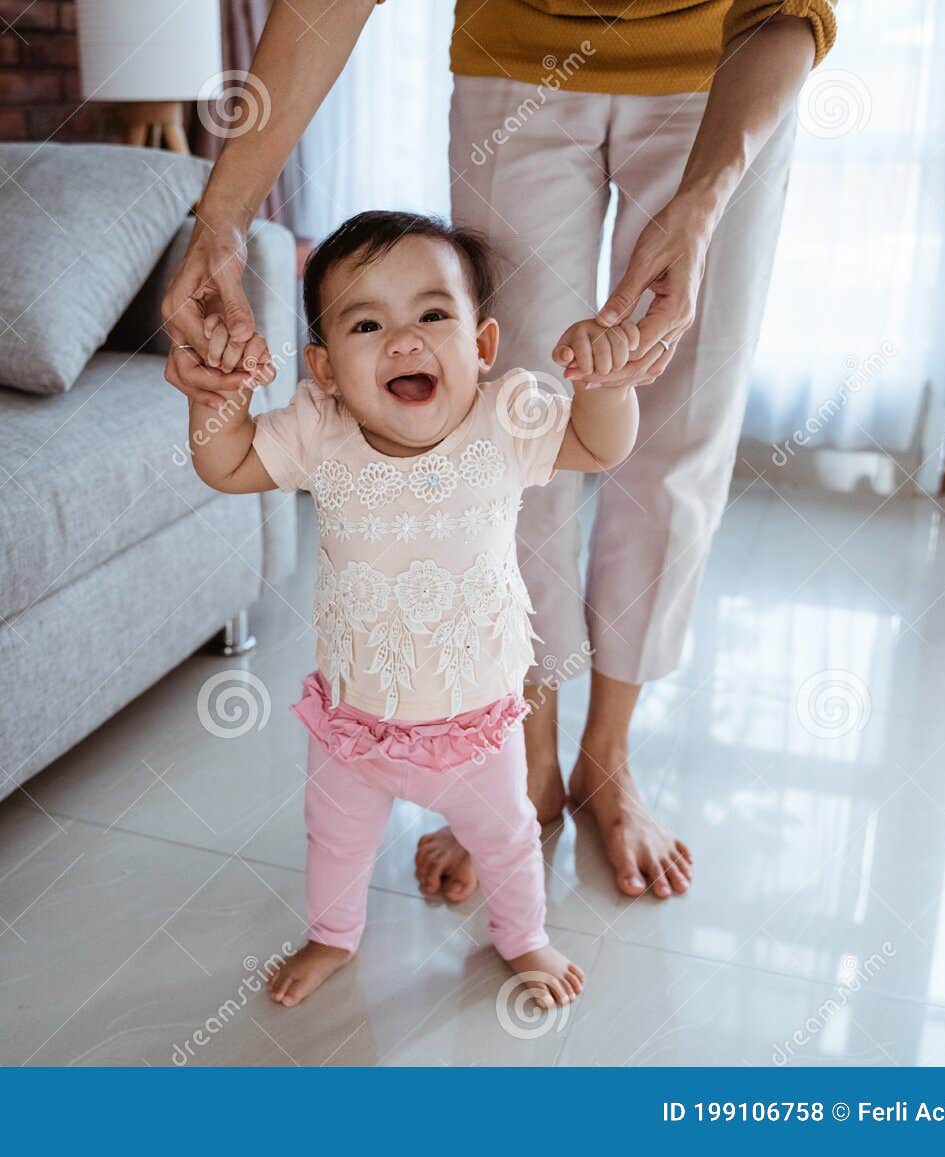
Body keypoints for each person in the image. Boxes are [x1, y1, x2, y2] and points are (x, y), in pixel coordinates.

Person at [164, 0, 836, 904]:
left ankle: (608, 756)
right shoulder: (322, 422)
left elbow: (794, 9)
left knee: (673, 423)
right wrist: (223, 217)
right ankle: (524, 761)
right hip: (518, 67)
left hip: (724, 69)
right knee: (500, 428)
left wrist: (703, 201)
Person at [186, 210, 646, 1007]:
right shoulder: (319, 429)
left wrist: (608, 384)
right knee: (334, 837)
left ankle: (523, 935)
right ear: (325, 370)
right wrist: (215, 399)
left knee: (507, 840)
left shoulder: (505, 419)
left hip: (477, 727)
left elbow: (602, 447)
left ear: (483, 345)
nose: (404, 340)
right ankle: (333, 934)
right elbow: (226, 466)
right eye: (367, 323)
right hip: (354, 726)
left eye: (433, 313)